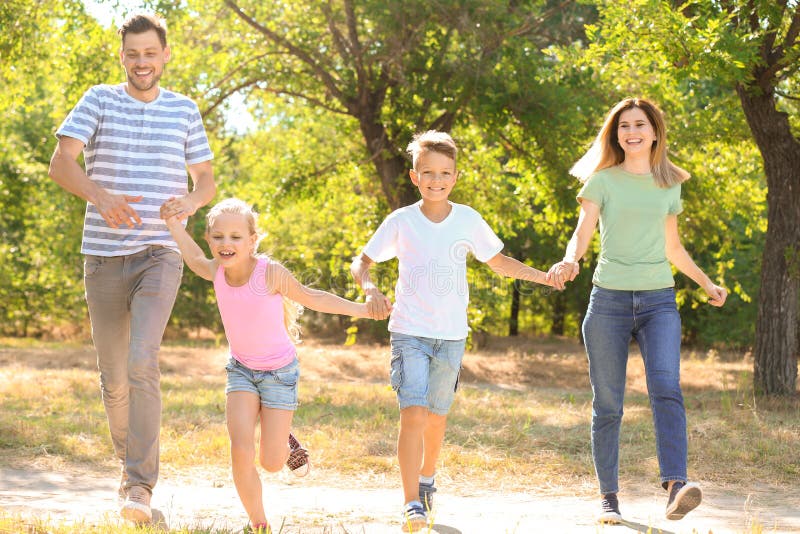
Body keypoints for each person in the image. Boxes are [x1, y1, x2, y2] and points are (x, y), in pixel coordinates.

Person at [48, 14, 216, 523]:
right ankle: (129, 465)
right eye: (133, 53)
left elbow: (205, 179)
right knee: (114, 378)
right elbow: (61, 163)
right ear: (122, 56)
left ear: (165, 54)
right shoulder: (98, 99)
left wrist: (188, 203)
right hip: (101, 256)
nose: (142, 62)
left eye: (150, 52)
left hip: (159, 254)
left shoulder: (184, 110)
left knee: (143, 360)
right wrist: (101, 197)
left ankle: (139, 485)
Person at [350, 130, 556, 532]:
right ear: (414, 176)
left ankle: (427, 479)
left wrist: (545, 279)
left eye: (444, 172)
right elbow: (362, 263)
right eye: (428, 172)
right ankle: (411, 503)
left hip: (451, 336)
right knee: (412, 413)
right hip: (408, 330)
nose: (436, 180)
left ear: (455, 177)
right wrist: (370, 288)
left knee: (436, 417)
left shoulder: (468, 220)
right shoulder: (401, 221)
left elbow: (501, 263)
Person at [546, 98, 728, 524]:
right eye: (624, 125)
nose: (631, 131)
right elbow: (582, 232)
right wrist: (570, 259)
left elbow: (673, 247)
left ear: (654, 132)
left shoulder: (669, 184)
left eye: (639, 124)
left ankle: (676, 487)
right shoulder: (602, 181)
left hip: (658, 301)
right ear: (616, 134)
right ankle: (608, 497)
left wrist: (706, 282)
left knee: (667, 389)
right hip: (608, 301)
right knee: (608, 404)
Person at [162, 197, 385, 533]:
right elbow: (192, 256)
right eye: (218, 237)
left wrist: (363, 310)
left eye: (236, 237)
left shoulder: (270, 273)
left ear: (253, 241)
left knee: (270, 462)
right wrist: (172, 223)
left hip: (280, 374)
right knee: (240, 449)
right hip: (241, 371)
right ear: (209, 240)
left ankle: (285, 442)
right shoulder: (214, 271)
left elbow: (314, 297)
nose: (227, 244)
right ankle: (259, 523)